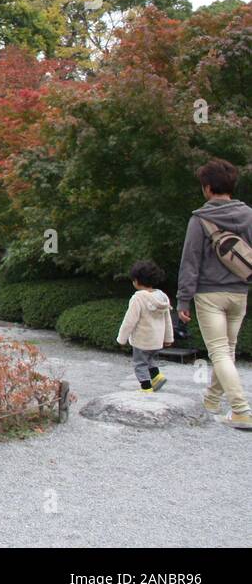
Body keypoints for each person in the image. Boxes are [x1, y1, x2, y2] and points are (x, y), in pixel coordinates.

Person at [177, 158, 252, 430]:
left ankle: (241, 410)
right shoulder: (249, 215)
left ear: (208, 188)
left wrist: (183, 299)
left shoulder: (200, 219)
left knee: (219, 352)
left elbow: (191, 261)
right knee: (227, 350)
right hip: (239, 293)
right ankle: (211, 400)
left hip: (209, 294)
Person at [116, 261, 173, 392]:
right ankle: (157, 377)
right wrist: (168, 338)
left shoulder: (138, 298)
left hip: (142, 340)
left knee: (140, 364)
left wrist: (121, 339)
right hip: (156, 340)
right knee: (150, 359)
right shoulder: (162, 297)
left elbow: (129, 321)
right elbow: (167, 319)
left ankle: (146, 388)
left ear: (136, 281)